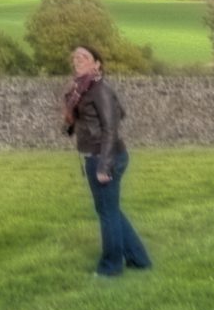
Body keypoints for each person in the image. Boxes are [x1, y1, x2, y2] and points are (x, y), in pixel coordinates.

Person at [64, 44, 151, 278]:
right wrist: (72, 125)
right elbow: (108, 115)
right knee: (109, 209)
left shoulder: (99, 89)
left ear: (96, 64)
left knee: (107, 212)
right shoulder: (82, 89)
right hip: (98, 155)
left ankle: (111, 268)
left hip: (105, 156)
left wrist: (104, 164)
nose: (78, 59)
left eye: (84, 56)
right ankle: (139, 259)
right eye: (76, 56)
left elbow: (111, 127)